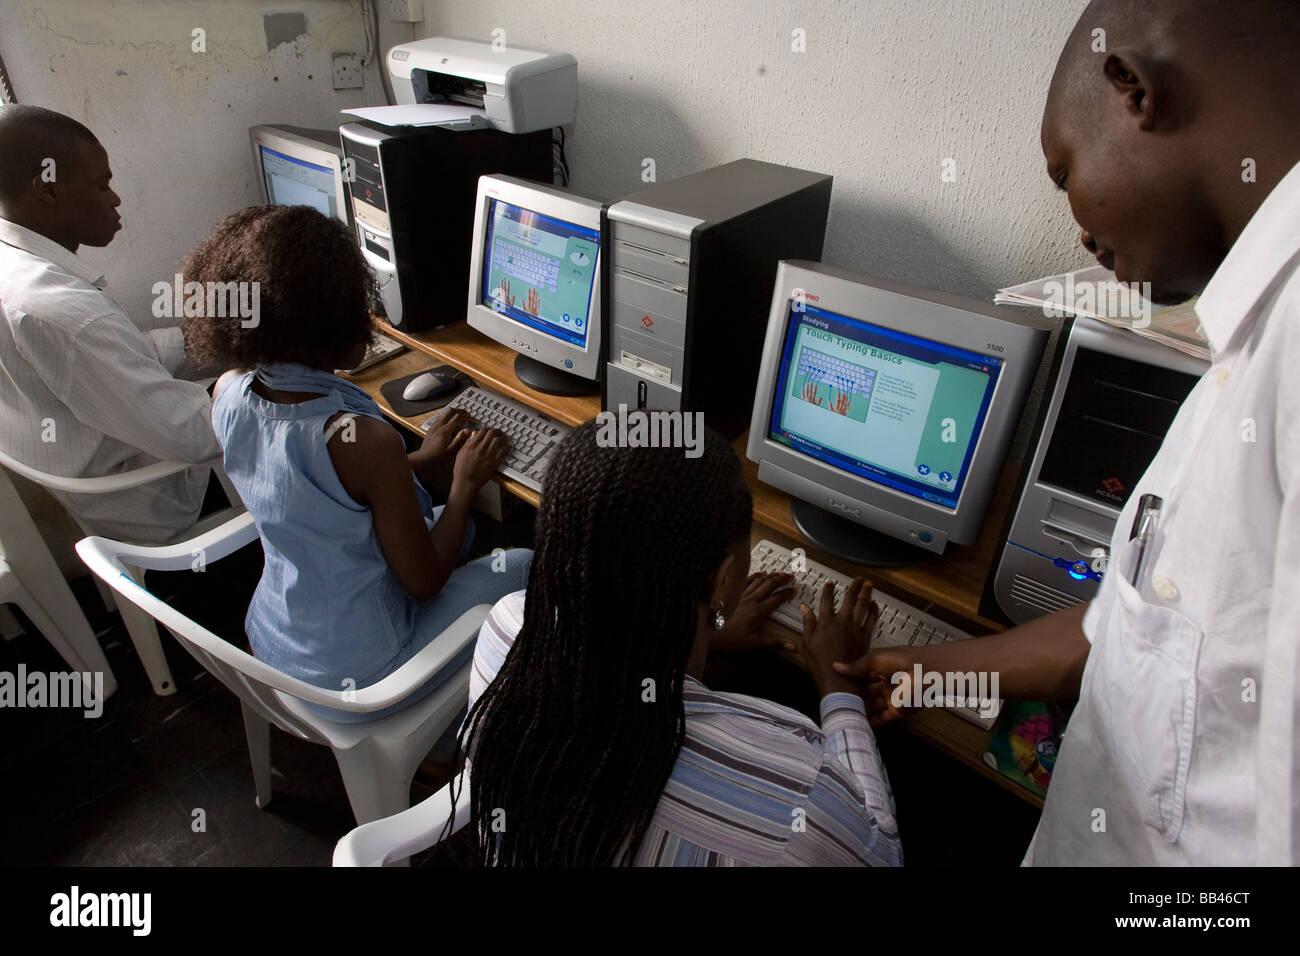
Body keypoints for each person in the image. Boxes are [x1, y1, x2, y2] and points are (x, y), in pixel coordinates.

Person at [841, 0, 1300, 865]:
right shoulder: (1246, 350)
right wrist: (932, 673)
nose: (1080, 230)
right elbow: (1126, 634)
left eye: (1064, 174)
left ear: (1131, 88)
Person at [456, 418, 902, 866]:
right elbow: (881, 851)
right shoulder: (800, 797)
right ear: (723, 578)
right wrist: (838, 688)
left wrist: (706, 628)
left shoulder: (507, 627)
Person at [183, 204, 531, 719]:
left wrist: (409, 462)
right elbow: (426, 580)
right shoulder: (362, 441)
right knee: (521, 562)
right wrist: (462, 483)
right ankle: (449, 733)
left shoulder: (228, 392)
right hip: (362, 679)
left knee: (453, 532)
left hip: (275, 645)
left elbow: (304, 488)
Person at [0, 104, 219, 543]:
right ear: (48, 188)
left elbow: (121, 357)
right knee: (364, 423)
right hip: (160, 497)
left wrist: (213, 337)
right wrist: (281, 372)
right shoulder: (66, 313)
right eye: (102, 185)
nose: (115, 199)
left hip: (95, 478)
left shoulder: (16, 269)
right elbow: (195, 435)